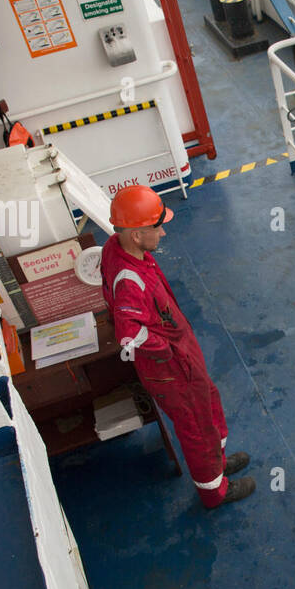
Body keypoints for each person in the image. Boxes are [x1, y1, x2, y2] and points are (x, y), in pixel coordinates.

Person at [101, 185, 255, 508]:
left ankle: (218, 461)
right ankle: (215, 491)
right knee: (196, 426)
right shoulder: (130, 279)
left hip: (181, 358)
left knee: (209, 401)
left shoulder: (118, 247)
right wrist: (167, 350)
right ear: (136, 235)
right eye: (157, 227)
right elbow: (129, 334)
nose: (164, 232)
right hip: (171, 368)